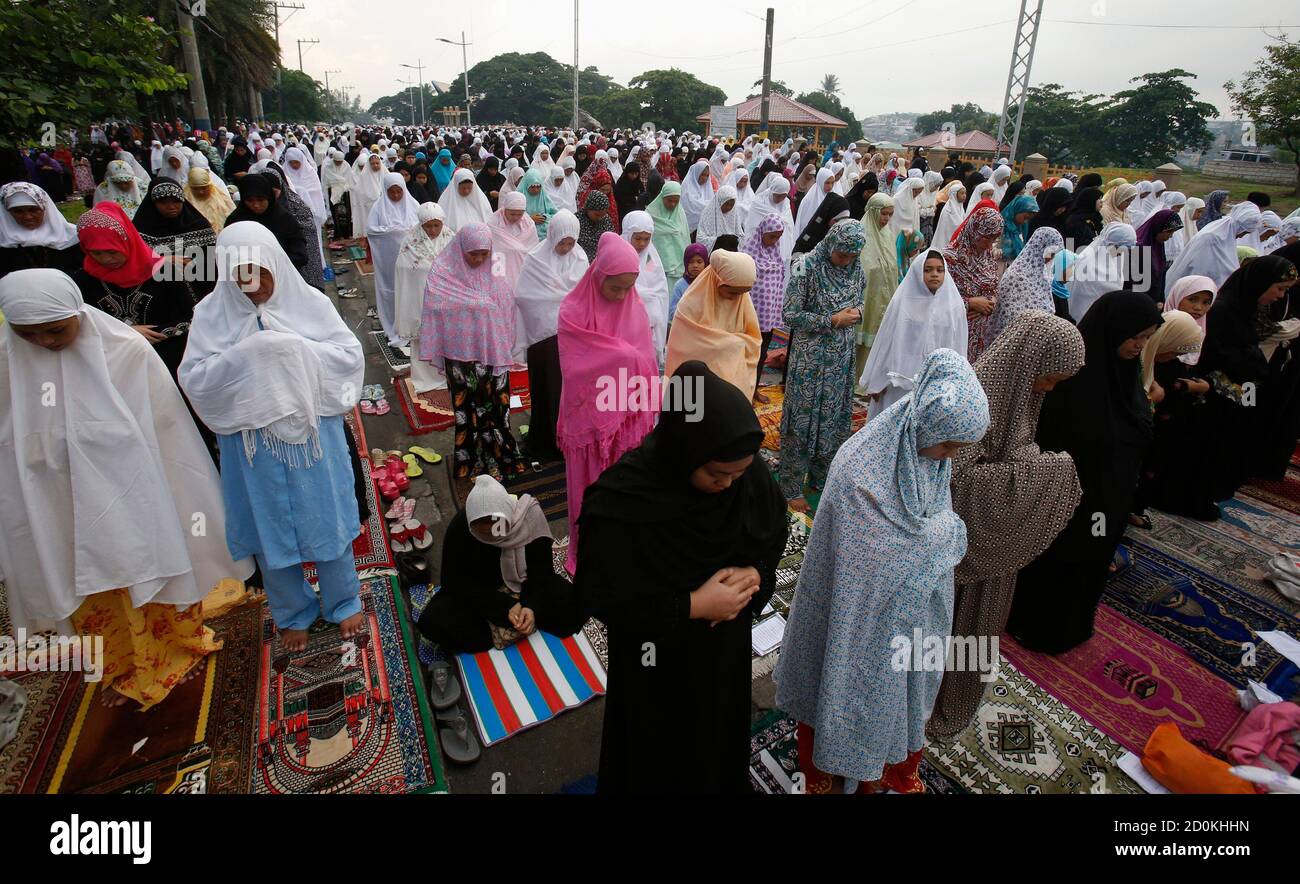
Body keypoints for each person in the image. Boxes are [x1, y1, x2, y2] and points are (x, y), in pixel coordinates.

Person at [0, 268, 253, 708]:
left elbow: (168, 432)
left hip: (132, 495)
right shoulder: (7, 363)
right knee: (87, 590)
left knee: (146, 572)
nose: (45, 343)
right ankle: (119, 664)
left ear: (76, 314)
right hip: (56, 506)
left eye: (56, 330)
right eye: (29, 335)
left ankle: (169, 653)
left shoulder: (124, 352)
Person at [775, 349, 989, 793]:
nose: (951, 455)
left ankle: (878, 772)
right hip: (857, 618)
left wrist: (936, 537)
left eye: (958, 447)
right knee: (842, 686)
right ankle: (828, 773)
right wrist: (939, 539)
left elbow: (930, 527)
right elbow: (868, 564)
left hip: (909, 615)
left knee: (898, 694)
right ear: (926, 423)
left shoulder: (929, 460)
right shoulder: (859, 473)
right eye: (948, 444)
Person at [576, 361, 788, 794]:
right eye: (716, 474)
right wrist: (691, 604)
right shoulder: (625, 501)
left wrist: (755, 575)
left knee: (712, 743)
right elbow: (602, 596)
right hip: (654, 661)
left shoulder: (745, 474)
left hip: (720, 656)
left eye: (738, 473)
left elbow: (772, 533)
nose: (729, 485)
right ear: (685, 452)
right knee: (654, 755)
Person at [179, 222, 364, 653]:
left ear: (277, 264)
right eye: (241, 275)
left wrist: (292, 349)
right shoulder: (211, 315)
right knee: (268, 526)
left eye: (262, 272)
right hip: (252, 445)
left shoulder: (309, 303)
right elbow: (195, 378)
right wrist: (247, 357)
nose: (255, 286)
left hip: (311, 435)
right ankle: (291, 612)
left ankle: (343, 600)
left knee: (327, 516)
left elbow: (347, 358)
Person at [925, 311, 1086, 740]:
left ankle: (954, 696)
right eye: (1049, 378)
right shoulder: (979, 396)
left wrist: (1027, 470)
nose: (1048, 389)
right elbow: (949, 480)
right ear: (1030, 360)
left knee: (978, 629)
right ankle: (929, 702)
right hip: (962, 540)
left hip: (998, 532)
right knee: (948, 626)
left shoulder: (1022, 392)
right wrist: (1039, 473)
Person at [1007, 291, 1163, 654]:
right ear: (1113, 331)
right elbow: (1055, 439)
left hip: (1111, 497)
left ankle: (1075, 622)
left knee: (1092, 561)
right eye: (1134, 336)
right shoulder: (1074, 379)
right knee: (1061, 560)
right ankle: (1037, 625)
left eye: (1146, 338)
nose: (1138, 346)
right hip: (1070, 497)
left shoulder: (1124, 376)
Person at [556, 232, 659, 576]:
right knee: (590, 491)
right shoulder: (573, 310)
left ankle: (620, 551)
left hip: (627, 420)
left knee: (624, 489)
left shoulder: (635, 306)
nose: (621, 295)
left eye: (628, 287)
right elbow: (575, 367)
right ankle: (587, 555)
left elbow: (646, 359)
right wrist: (622, 356)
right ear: (599, 275)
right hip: (590, 421)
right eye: (615, 287)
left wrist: (630, 363)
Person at [416, 475, 583, 653]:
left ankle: (515, 624)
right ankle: (499, 627)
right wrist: (505, 607)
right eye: (484, 533)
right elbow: (455, 582)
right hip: (485, 593)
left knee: (573, 602)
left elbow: (541, 570)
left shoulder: (529, 515)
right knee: (433, 620)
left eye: (497, 529)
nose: (494, 537)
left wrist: (531, 607)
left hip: (526, 585)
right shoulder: (462, 527)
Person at [417, 223, 524, 480]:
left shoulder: (495, 273)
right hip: (460, 356)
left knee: (496, 405)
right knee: (468, 408)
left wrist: (485, 311)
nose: (478, 259)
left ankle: (501, 454)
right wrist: (475, 304)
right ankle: (471, 459)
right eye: (472, 254)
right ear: (461, 249)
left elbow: (507, 306)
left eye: (483, 254)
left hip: (492, 351)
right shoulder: (443, 271)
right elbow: (434, 305)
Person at [1191, 256, 1299, 507]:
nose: (1281, 296)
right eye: (1280, 289)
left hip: (1240, 392)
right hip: (1215, 395)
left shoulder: (1249, 308)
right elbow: (1214, 356)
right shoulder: (1223, 309)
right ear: (1262, 282)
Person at [781, 222, 867, 513]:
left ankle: (821, 475)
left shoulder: (856, 269)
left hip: (840, 359)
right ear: (831, 243)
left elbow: (861, 303)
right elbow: (790, 314)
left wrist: (857, 314)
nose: (845, 260)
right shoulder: (803, 265)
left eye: (851, 255)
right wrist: (830, 321)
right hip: (810, 359)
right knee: (802, 419)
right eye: (841, 254)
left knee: (833, 415)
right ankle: (791, 485)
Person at [73, 202, 198, 382]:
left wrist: (155, 333)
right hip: (112, 361)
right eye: (96, 253)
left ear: (127, 240)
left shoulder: (164, 271)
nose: (106, 259)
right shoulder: (84, 279)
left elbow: (194, 316)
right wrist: (127, 333)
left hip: (167, 358)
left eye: (112, 251)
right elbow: (81, 323)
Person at [514, 209, 589, 461]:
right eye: (562, 242)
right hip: (544, 341)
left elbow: (584, 296)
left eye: (571, 242)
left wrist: (566, 306)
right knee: (546, 389)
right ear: (552, 236)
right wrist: (561, 302)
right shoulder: (535, 260)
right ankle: (544, 440)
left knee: (570, 393)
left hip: (572, 337)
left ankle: (568, 440)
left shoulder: (580, 258)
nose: (567, 247)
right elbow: (525, 296)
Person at [860, 250, 969, 419]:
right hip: (901, 378)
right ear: (918, 271)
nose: (934, 275)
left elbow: (958, 345)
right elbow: (886, 341)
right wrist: (877, 379)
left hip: (937, 380)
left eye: (940, 270)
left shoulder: (953, 306)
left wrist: (957, 381)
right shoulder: (902, 302)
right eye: (928, 270)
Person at [665, 250, 760, 399]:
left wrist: (731, 345)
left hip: (732, 380)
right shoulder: (690, 305)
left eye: (743, 292)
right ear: (716, 280)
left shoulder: (742, 299)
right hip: (699, 386)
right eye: (732, 292)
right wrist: (730, 344)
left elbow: (754, 340)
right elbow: (683, 349)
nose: (738, 298)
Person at [395, 202, 455, 392]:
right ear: (420, 224)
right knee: (423, 337)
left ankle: (448, 375)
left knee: (447, 337)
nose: (432, 230)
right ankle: (425, 379)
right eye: (428, 226)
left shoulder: (450, 237)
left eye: (436, 225)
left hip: (446, 299)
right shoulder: (410, 242)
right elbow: (404, 270)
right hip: (420, 298)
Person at [131, 178, 219, 299]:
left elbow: (214, 258)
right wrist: (162, 261)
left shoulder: (198, 225)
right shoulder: (141, 229)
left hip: (202, 289)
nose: (171, 207)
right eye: (163, 202)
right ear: (153, 203)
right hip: (162, 294)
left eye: (176, 201)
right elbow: (135, 262)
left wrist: (195, 263)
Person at [370, 174, 426, 348]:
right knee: (392, 290)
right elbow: (372, 231)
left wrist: (404, 233)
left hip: (411, 260)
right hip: (388, 259)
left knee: (411, 290)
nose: (395, 196)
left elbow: (422, 229)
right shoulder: (378, 208)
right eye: (391, 192)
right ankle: (393, 325)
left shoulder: (414, 205)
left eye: (398, 192)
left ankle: (413, 325)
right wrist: (393, 233)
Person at [225, 173, 311, 284]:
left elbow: (300, 255)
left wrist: (268, 269)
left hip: (282, 279)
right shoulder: (235, 221)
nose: (256, 205)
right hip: (246, 282)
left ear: (269, 197)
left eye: (261, 200)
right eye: (250, 201)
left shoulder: (284, 219)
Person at [944, 205, 1004, 363]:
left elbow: (993, 286)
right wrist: (970, 303)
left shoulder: (987, 255)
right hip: (958, 331)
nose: (990, 244)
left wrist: (991, 302)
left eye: (994, 238)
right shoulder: (950, 258)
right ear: (973, 230)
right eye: (986, 238)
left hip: (984, 332)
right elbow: (936, 298)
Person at [986, 227, 1064, 346]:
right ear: (1040, 247)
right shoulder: (1017, 276)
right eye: (1052, 253)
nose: (1053, 258)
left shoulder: (1043, 275)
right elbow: (1010, 319)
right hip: (1013, 345)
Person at [256, 161, 326, 290]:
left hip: (297, 267)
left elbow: (305, 246)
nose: (270, 197)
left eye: (274, 192)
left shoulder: (296, 207)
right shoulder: (248, 215)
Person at [1166, 201, 1262, 289]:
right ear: (1240, 227)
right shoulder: (1213, 237)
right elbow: (1199, 270)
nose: (1241, 236)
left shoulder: (1225, 235)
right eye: (1244, 232)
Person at [743, 214, 788, 400]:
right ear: (762, 232)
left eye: (778, 237)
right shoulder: (748, 254)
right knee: (746, 354)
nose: (774, 241)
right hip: (751, 315)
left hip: (769, 318)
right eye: (771, 236)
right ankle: (741, 390)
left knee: (761, 355)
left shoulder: (776, 255)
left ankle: (753, 390)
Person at [855, 193, 898, 382]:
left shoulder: (888, 235)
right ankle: (855, 376)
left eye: (890, 214)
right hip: (865, 296)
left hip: (883, 294)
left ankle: (870, 375)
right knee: (861, 335)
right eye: (883, 214)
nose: (886, 219)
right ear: (873, 212)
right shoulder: (860, 235)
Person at [0, 182, 82, 280]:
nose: (27, 217)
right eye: (18, 211)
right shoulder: (3, 240)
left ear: (45, 208)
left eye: (33, 210)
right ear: (8, 213)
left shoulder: (70, 236)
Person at [619, 210, 671, 364]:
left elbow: (659, 288)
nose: (642, 244)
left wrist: (650, 300)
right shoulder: (618, 254)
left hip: (649, 326)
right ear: (628, 234)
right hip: (624, 322)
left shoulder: (650, 257)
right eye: (638, 238)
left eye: (647, 239)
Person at [486, 190, 539, 291]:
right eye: (512, 214)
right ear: (504, 209)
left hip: (522, 269)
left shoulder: (528, 224)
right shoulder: (493, 223)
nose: (515, 217)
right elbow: (492, 248)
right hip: (500, 266)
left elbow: (534, 249)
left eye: (519, 214)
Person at [646, 181, 691, 293]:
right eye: (669, 200)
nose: (672, 204)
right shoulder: (650, 215)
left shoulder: (680, 214)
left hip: (677, 268)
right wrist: (649, 269)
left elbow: (685, 238)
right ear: (662, 197)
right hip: (656, 267)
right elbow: (646, 245)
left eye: (676, 201)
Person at [351, 151, 386, 239]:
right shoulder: (364, 176)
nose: (375, 165)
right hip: (368, 208)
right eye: (373, 164)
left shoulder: (386, 175)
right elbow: (360, 193)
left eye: (377, 163)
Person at [670, 241, 708, 320]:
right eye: (691, 262)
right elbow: (672, 311)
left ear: (706, 263)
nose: (695, 265)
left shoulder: (710, 283)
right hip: (685, 326)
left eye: (699, 262)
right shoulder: (680, 285)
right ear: (686, 263)